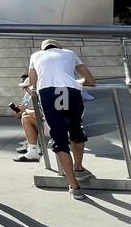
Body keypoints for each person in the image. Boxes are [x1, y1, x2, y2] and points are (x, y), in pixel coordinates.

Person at [28, 39, 96, 199]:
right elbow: (90, 80)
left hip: (47, 93)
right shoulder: (69, 53)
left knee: (59, 138)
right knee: (76, 129)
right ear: (59, 48)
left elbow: (32, 84)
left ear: (44, 49)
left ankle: (75, 186)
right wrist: (78, 82)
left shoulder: (35, 56)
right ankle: (78, 167)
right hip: (70, 90)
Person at [10, 73, 41, 162]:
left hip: (52, 125)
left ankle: (33, 147)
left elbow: (39, 114)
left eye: (26, 87)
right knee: (25, 116)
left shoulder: (39, 94)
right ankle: (33, 147)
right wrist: (20, 110)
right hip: (50, 123)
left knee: (26, 117)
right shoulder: (31, 94)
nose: (25, 90)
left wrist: (25, 110)